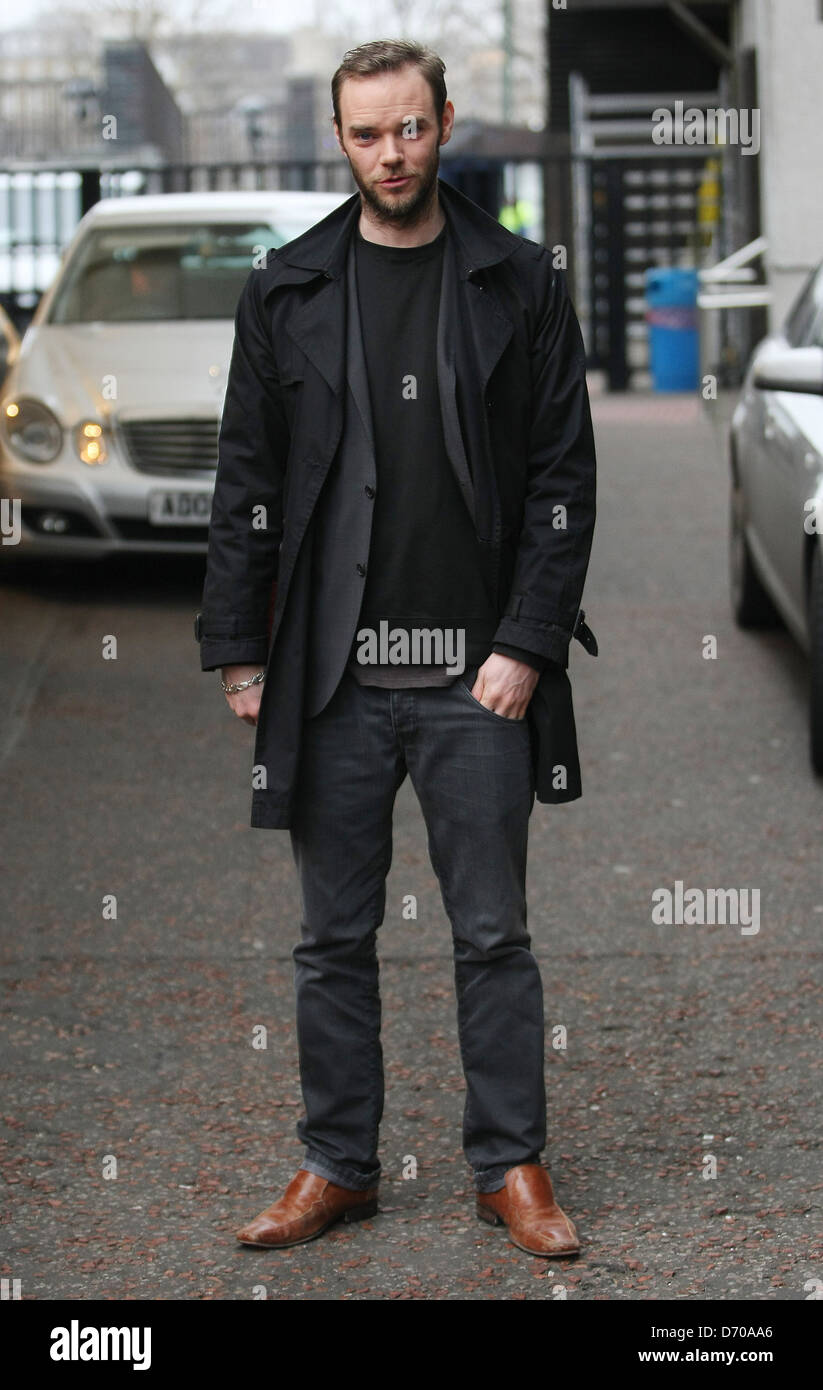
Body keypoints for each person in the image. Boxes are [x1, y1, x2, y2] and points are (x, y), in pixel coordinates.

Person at [195, 38, 597, 1259]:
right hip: (330, 677)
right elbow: (246, 480)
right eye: (368, 135)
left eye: (410, 130)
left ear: (444, 123)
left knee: (492, 933)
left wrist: (525, 643)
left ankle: (509, 1164)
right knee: (330, 937)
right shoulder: (288, 287)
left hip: (479, 675)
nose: (391, 154)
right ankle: (338, 1164)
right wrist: (238, 651)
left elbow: (562, 485)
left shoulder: (517, 281)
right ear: (340, 137)